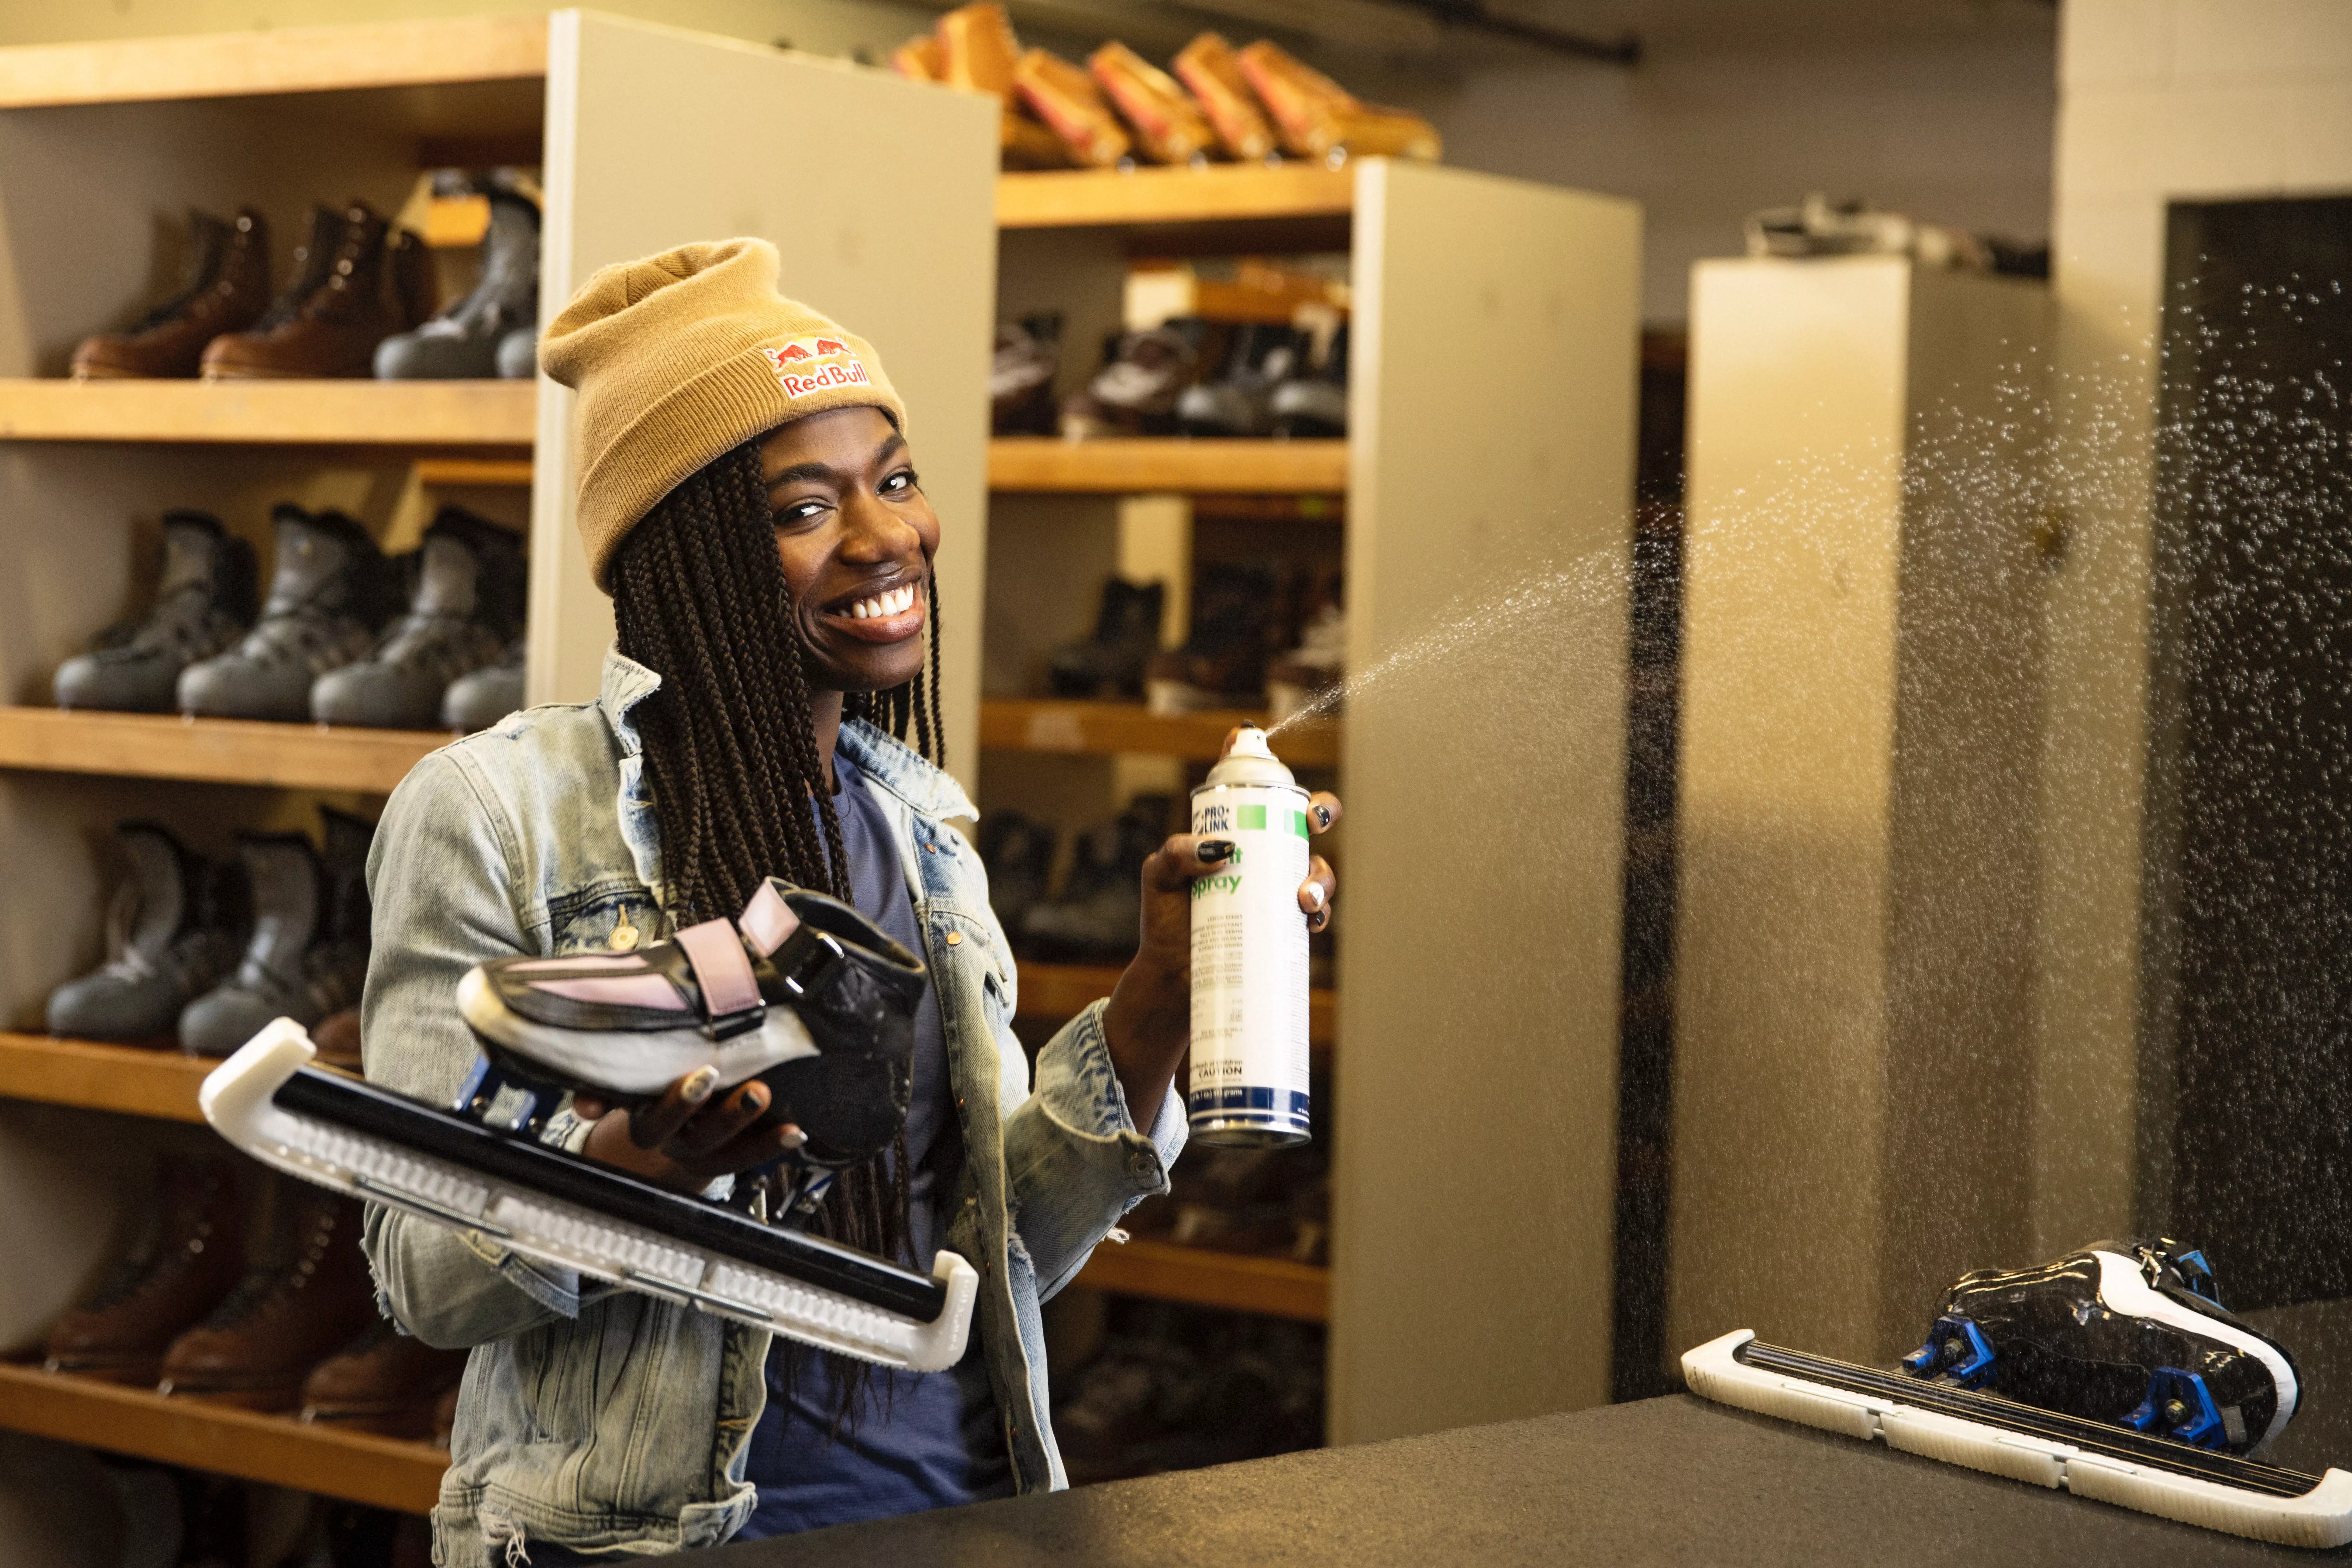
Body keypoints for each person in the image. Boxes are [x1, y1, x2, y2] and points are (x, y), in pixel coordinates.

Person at [357, 239, 1341, 1566]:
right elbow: (422, 1275)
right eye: (804, 508)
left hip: (958, 1514)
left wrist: (1160, 992)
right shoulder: (495, 813)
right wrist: (629, 1173)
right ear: (685, 558)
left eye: (894, 480)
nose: (888, 538)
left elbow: (1004, 1261)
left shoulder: (921, 831)